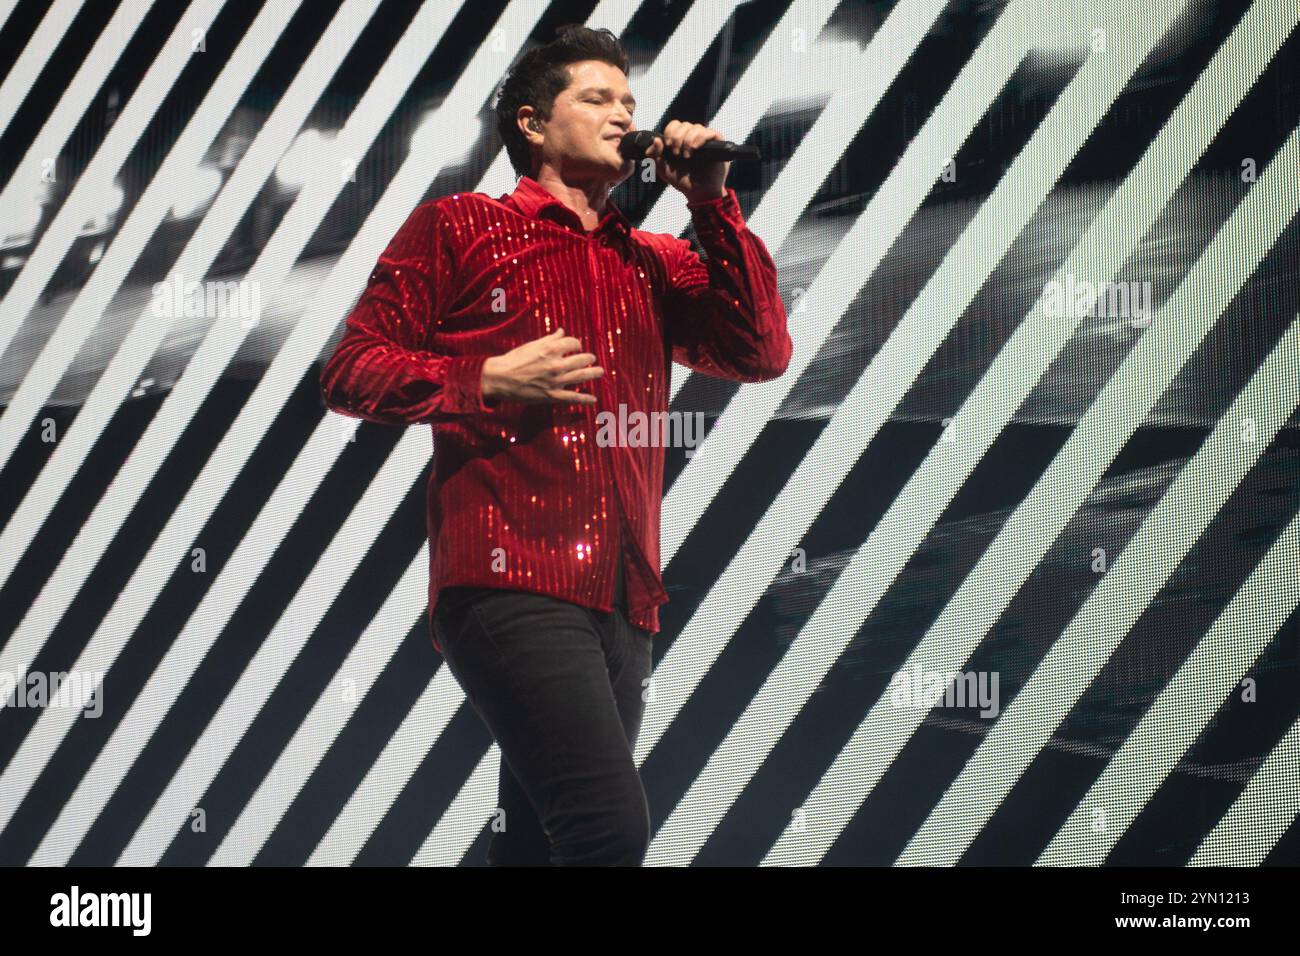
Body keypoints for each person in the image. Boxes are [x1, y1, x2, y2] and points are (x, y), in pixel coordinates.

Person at [319, 24, 791, 865]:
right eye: (598, 98)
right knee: (606, 831)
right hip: (508, 577)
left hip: (624, 595)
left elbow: (758, 353)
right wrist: (484, 381)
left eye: (630, 104)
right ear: (533, 125)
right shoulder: (460, 226)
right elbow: (350, 370)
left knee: (540, 843)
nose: (624, 117)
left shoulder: (649, 258)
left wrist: (712, 205)